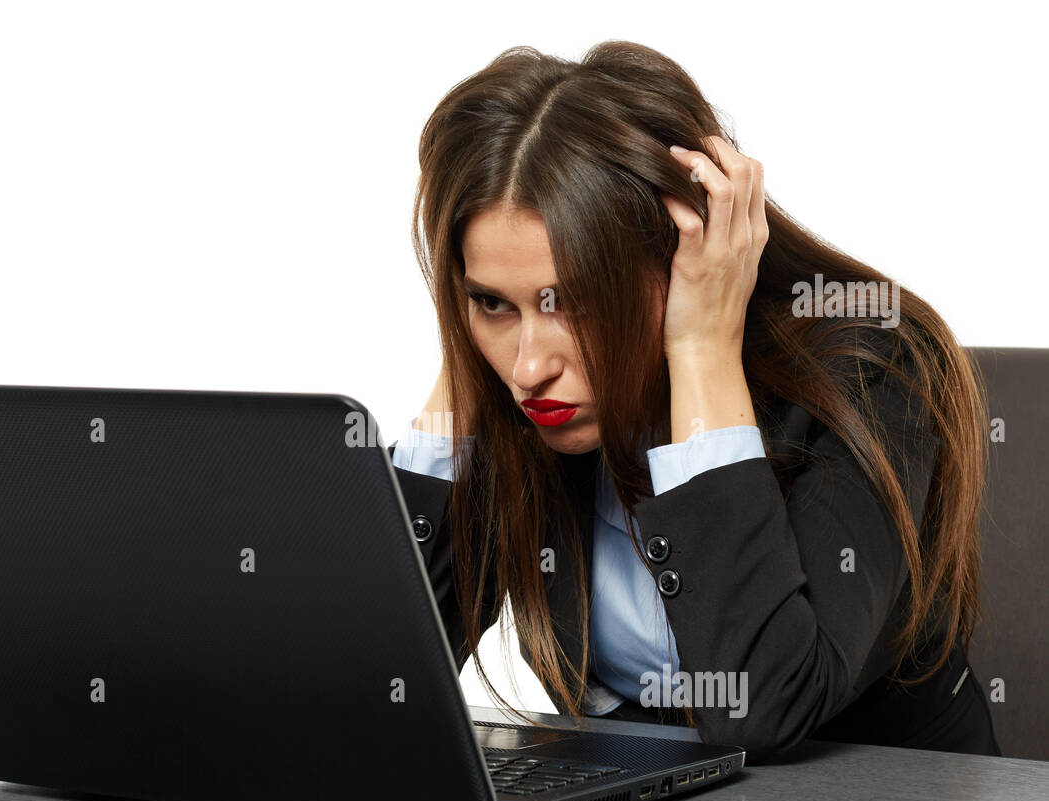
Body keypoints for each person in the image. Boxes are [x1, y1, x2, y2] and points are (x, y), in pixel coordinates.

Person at [387, 40, 1000, 764]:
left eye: (574, 304)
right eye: (493, 302)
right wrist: (464, 368)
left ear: (686, 262)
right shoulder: (529, 403)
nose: (529, 366)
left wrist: (703, 352)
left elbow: (765, 707)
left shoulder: (871, 372)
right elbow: (374, 683)